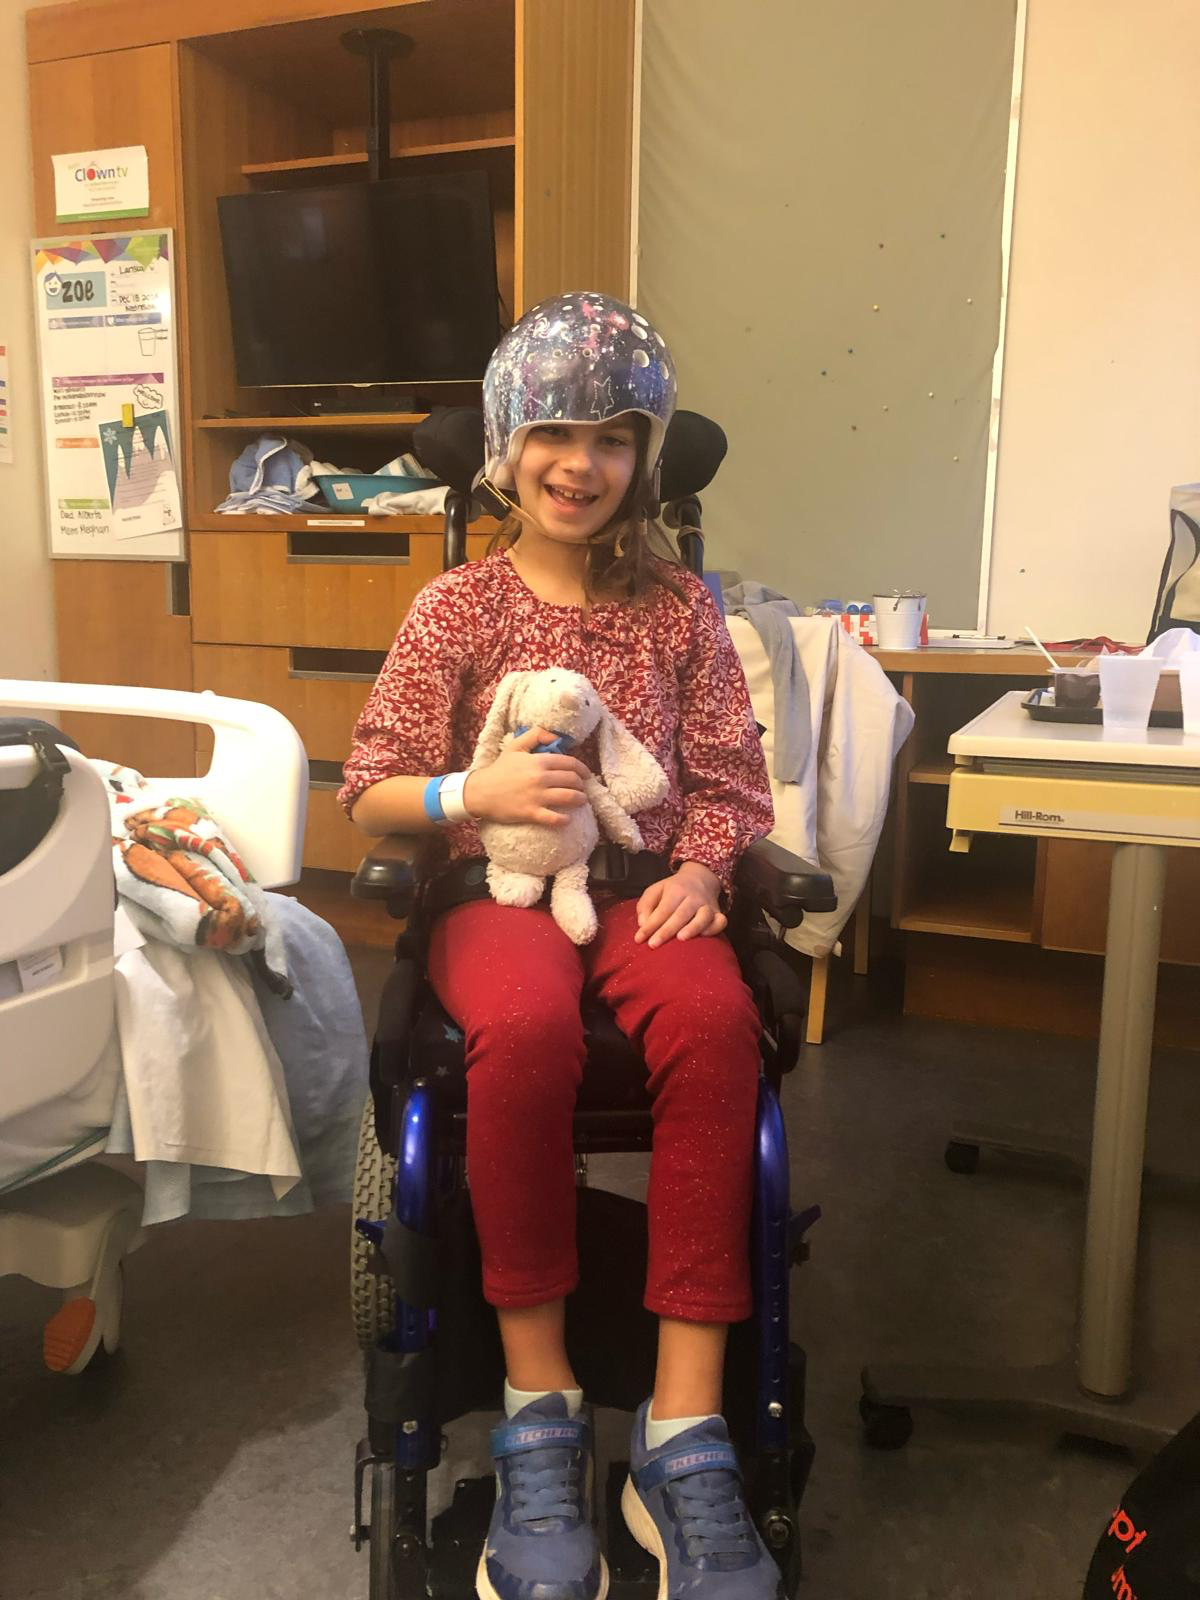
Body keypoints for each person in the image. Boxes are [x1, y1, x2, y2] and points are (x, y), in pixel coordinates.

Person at [340, 291, 779, 1600]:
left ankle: (683, 1433)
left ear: (646, 457)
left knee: (715, 1022)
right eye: (554, 433)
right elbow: (368, 787)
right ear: (506, 444)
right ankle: (541, 1406)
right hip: (497, 888)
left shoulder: (680, 609)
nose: (581, 465)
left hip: (644, 887)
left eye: (613, 438)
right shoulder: (457, 609)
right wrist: (466, 793)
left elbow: (728, 779)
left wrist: (703, 867)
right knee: (524, 1028)